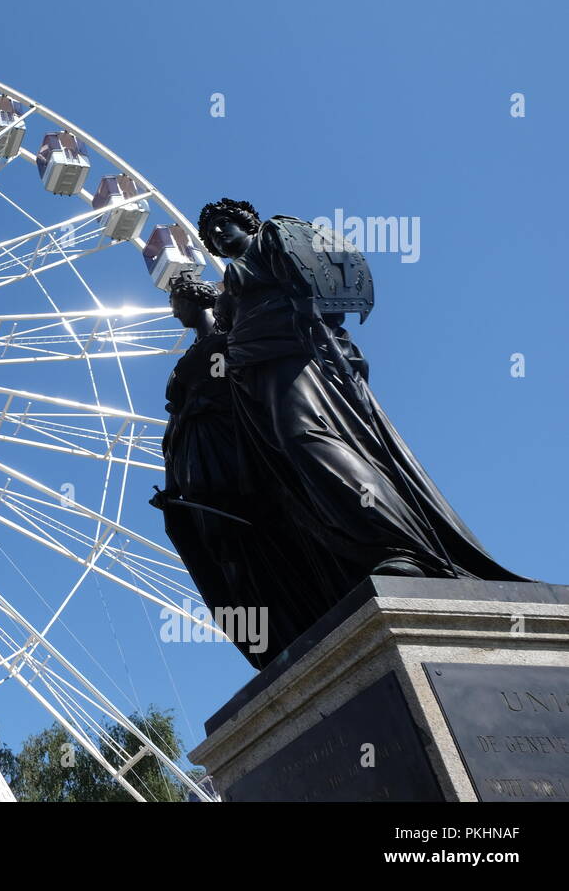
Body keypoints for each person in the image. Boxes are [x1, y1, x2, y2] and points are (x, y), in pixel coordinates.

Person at [198, 197, 526, 587]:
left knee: (305, 436)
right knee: (287, 470)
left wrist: (307, 313)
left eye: (223, 223)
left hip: (294, 356)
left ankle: (398, 542)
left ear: (247, 222)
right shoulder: (229, 287)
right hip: (255, 376)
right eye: (210, 235)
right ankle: (354, 551)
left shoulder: (272, 236)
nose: (217, 234)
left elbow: (311, 279)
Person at [153, 274, 351, 667]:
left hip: (234, 445)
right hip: (196, 459)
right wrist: (174, 484)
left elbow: (256, 383)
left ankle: (306, 607)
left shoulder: (233, 338)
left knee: (261, 522)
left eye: (177, 303)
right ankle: (278, 635)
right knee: (226, 547)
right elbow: (176, 420)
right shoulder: (191, 361)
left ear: (197, 298)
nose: (175, 312)